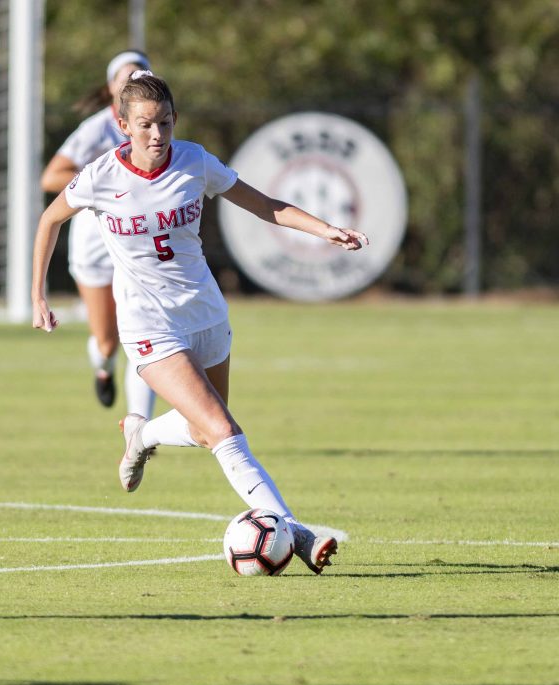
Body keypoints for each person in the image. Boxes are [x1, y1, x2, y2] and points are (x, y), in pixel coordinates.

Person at [31, 71, 369, 574]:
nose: (157, 135)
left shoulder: (194, 161)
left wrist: (326, 230)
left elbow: (265, 204)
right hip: (149, 325)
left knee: (207, 429)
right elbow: (50, 219)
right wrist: (37, 294)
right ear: (122, 125)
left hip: (207, 315)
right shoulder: (101, 176)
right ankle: (293, 531)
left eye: (165, 123)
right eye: (144, 125)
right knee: (225, 430)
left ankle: (140, 436)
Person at [40, 50, 157, 418]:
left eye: (140, 79)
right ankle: (103, 366)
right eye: (126, 80)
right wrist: (100, 184)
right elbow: (51, 178)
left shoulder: (156, 126)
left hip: (136, 243)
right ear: (111, 89)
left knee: (144, 334)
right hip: (95, 246)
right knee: (107, 340)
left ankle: (138, 426)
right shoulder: (95, 129)